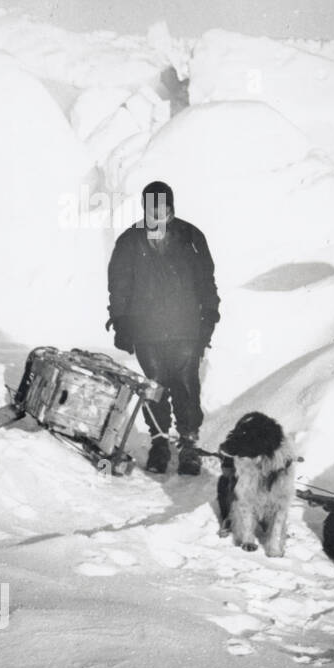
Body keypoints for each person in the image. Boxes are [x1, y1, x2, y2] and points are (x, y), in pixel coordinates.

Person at [106, 180, 219, 475]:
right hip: (147, 330)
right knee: (154, 385)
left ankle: (189, 445)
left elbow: (206, 280)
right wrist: (121, 321)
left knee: (185, 383)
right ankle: (159, 443)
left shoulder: (191, 237)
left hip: (185, 328)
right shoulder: (130, 241)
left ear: (171, 208)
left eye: (162, 208)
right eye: (150, 208)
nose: (156, 214)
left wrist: (209, 314)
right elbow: (119, 285)